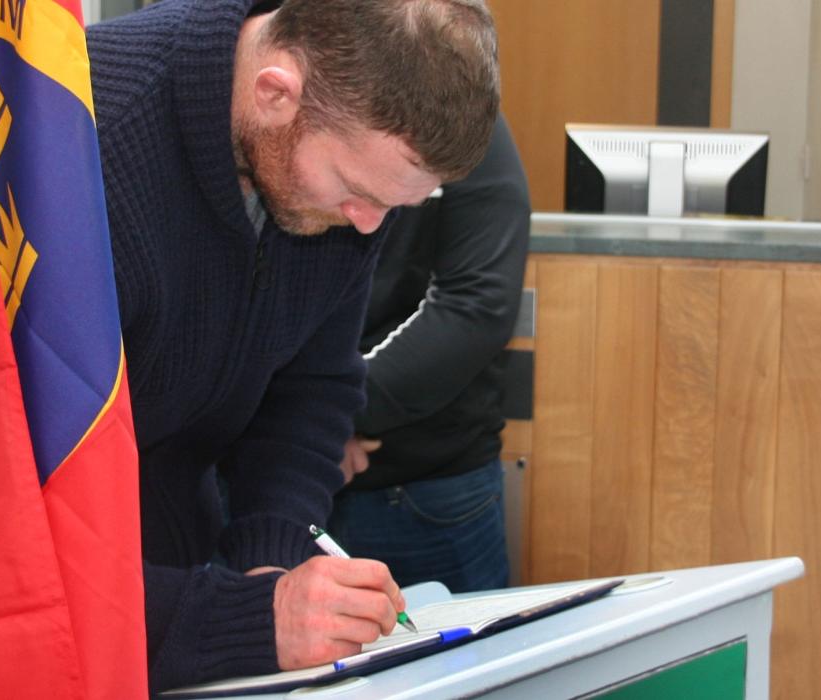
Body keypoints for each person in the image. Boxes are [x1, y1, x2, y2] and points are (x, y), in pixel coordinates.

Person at [85, 0, 500, 691]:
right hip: (63, 615)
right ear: (275, 93)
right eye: (355, 191)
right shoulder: (85, 139)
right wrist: (250, 619)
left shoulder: (345, 178)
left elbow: (310, 386)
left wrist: (272, 560)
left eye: (397, 206)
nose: (368, 228)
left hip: (178, 585)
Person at [328, 113, 531, 593]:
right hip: (267, 482)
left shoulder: (460, 107)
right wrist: (304, 426)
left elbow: (474, 309)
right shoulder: (297, 107)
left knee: (461, 667)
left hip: (426, 488)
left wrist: (330, 414)